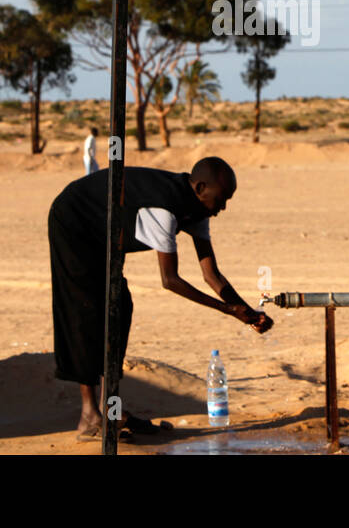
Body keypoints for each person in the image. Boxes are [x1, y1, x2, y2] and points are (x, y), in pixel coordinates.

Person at [47, 156, 273, 440]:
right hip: (74, 219)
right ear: (201, 187)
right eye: (222, 199)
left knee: (119, 306)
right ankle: (90, 417)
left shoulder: (199, 209)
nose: (224, 207)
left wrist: (246, 312)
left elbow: (212, 275)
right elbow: (170, 280)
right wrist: (228, 310)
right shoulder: (163, 207)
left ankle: (110, 409)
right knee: (87, 310)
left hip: (104, 227)